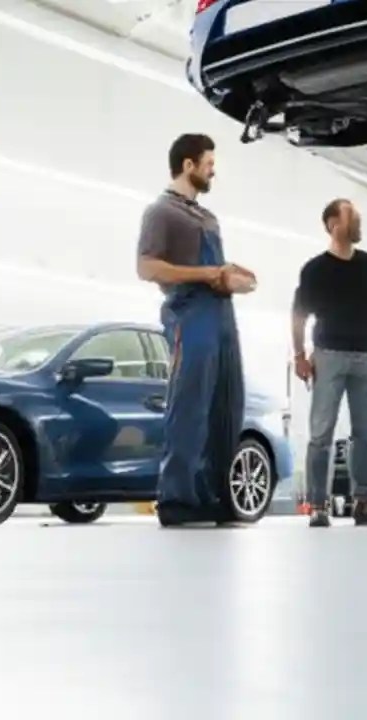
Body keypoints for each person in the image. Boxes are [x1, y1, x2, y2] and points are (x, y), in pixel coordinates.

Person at [136, 133, 257, 528]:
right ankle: (177, 499)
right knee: (190, 404)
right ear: (188, 165)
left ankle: (214, 496)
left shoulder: (207, 216)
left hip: (222, 313)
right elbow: (147, 267)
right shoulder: (162, 212)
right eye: (208, 164)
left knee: (227, 405)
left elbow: (217, 270)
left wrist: (232, 276)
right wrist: (207, 273)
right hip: (190, 314)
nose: (212, 171)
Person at [291, 198, 367, 528]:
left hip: (366, 357)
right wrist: (299, 355)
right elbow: (299, 314)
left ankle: (363, 503)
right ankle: (318, 506)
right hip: (328, 356)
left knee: (366, 435)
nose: (359, 222)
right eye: (353, 217)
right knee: (321, 434)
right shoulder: (314, 269)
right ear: (333, 225)